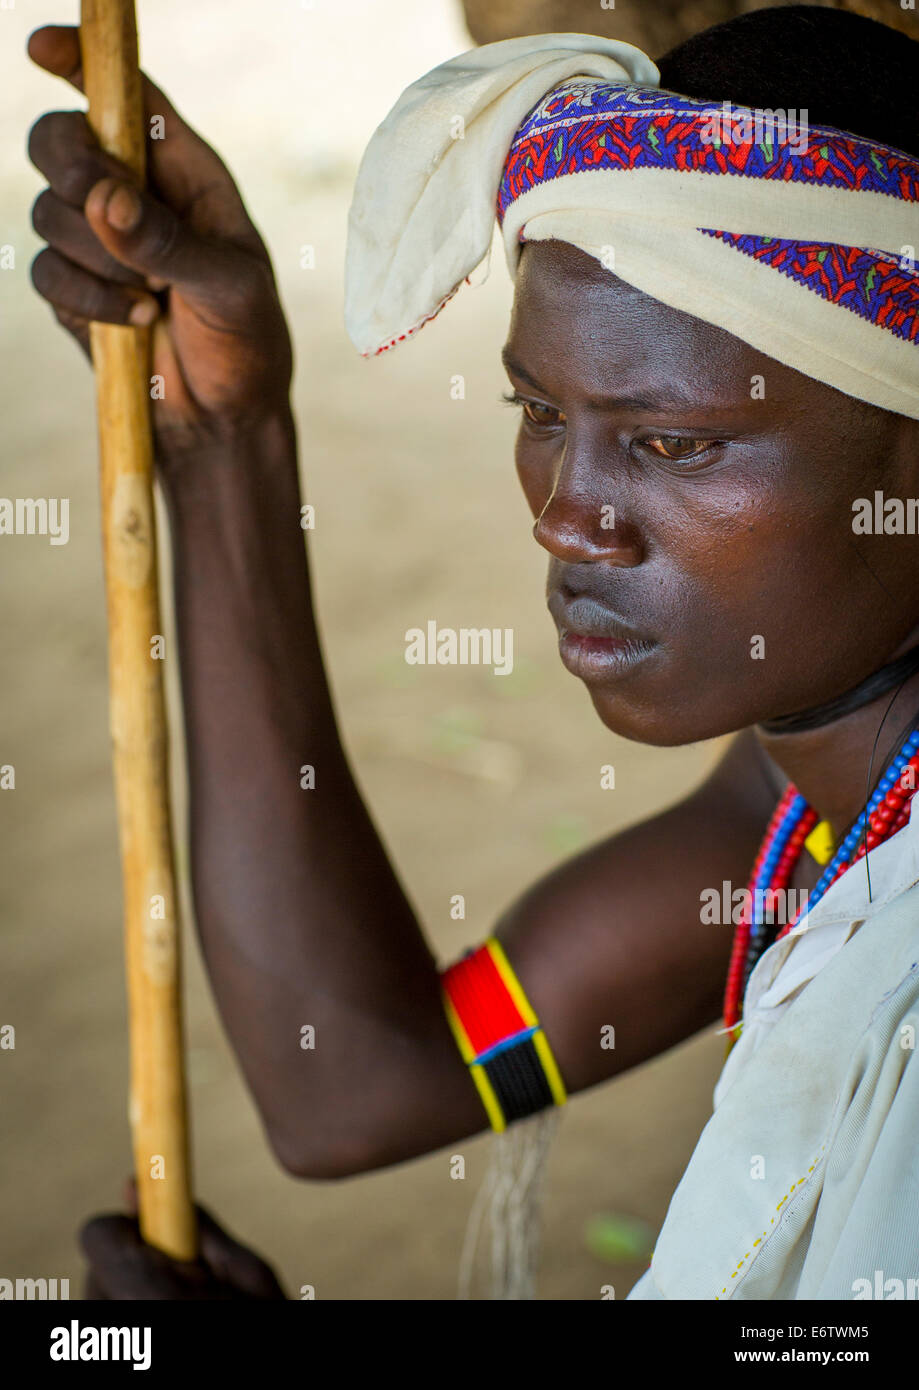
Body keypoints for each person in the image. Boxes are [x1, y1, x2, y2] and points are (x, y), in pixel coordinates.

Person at [26, 3, 919, 1299]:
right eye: (539, 412)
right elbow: (360, 1079)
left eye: (673, 443)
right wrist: (224, 441)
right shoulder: (800, 810)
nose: (566, 516)